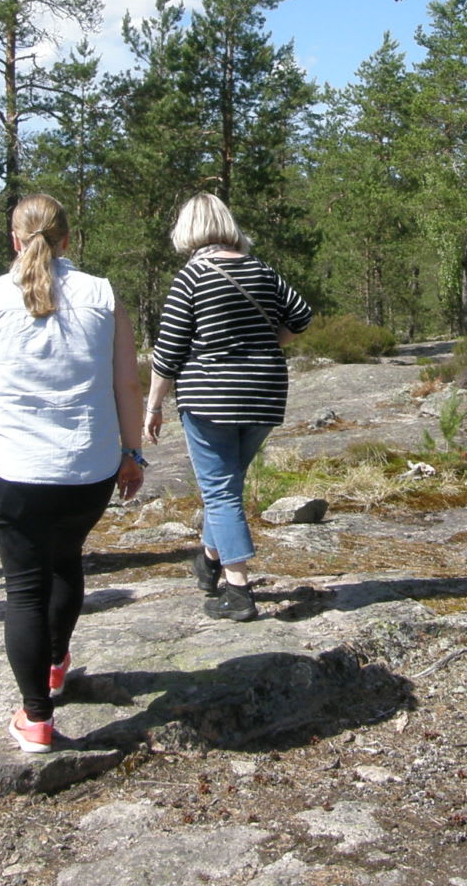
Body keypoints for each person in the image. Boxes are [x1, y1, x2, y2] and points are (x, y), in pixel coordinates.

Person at [0, 194, 146, 754]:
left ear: (14, 240)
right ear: (67, 240)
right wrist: (132, 452)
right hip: (87, 467)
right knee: (65, 561)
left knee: (24, 589)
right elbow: (127, 384)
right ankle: (56, 664)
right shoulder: (103, 294)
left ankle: (36, 717)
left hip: (11, 465)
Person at [147, 193, 313, 624]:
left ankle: (238, 591)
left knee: (220, 491)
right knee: (227, 483)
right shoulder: (261, 270)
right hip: (264, 394)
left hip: (211, 397)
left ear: (188, 229)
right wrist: (263, 347)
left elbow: (168, 352)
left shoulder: (192, 276)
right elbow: (300, 317)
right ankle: (209, 560)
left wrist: (153, 406)